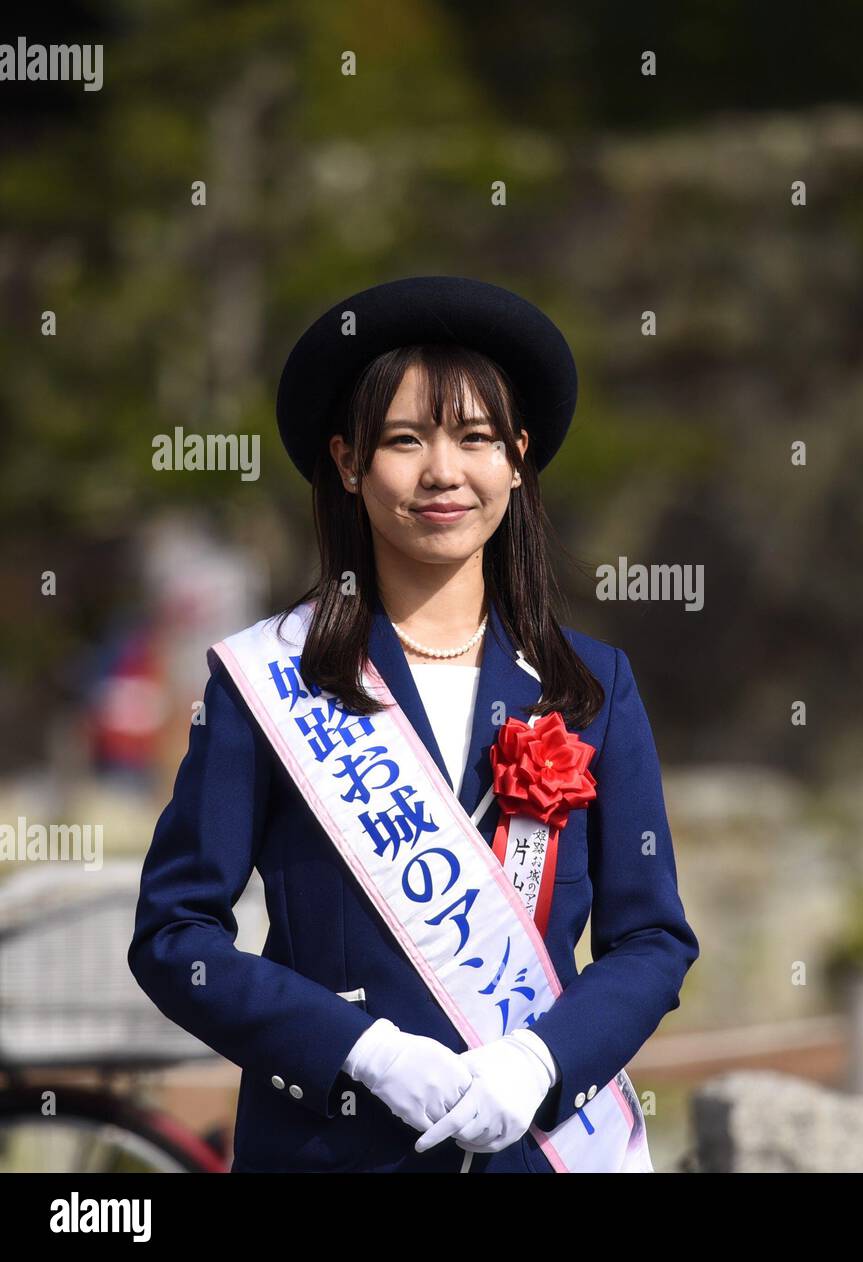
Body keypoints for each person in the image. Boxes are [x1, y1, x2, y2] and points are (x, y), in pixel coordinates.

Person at [128, 275, 700, 1172]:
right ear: (349, 464)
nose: (444, 472)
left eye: (475, 438)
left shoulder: (589, 686)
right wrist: (362, 1052)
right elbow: (175, 936)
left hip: (536, 1145)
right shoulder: (269, 681)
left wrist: (538, 1062)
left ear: (517, 458)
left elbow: (653, 939)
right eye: (404, 440)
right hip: (333, 1149)